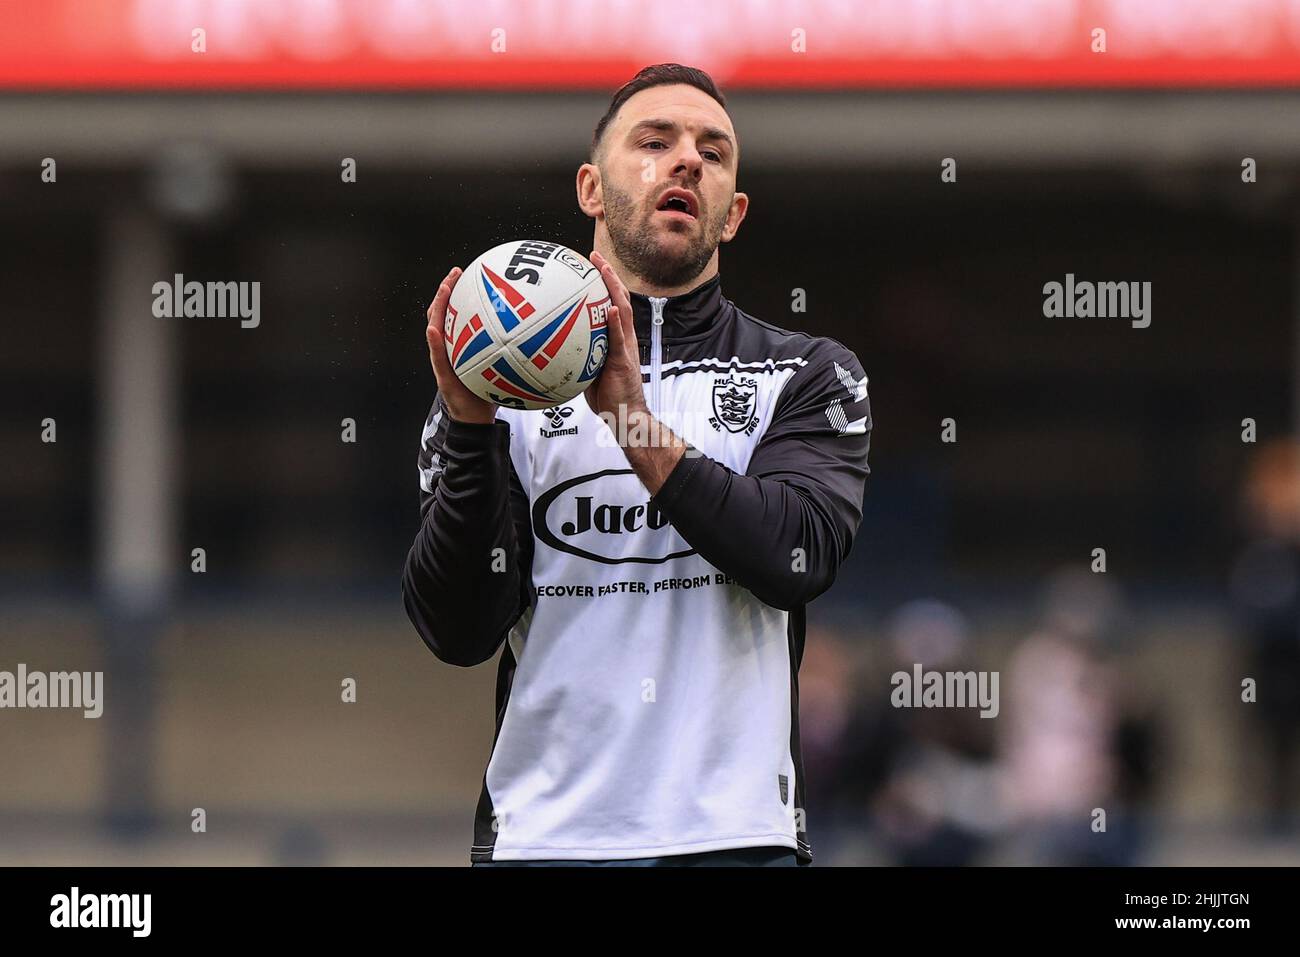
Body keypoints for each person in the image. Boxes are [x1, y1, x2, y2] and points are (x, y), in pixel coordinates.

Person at [403, 63, 873, 866]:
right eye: (654, 141)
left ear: (734, 215)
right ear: (590, 187)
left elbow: (796, 556)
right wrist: (471, 425)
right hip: (545, 840)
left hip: (737, 839)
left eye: (713, 152)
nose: (686, 160)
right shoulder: (499, 397)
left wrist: (628, 419)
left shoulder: (805, 374)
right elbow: (458, 628)